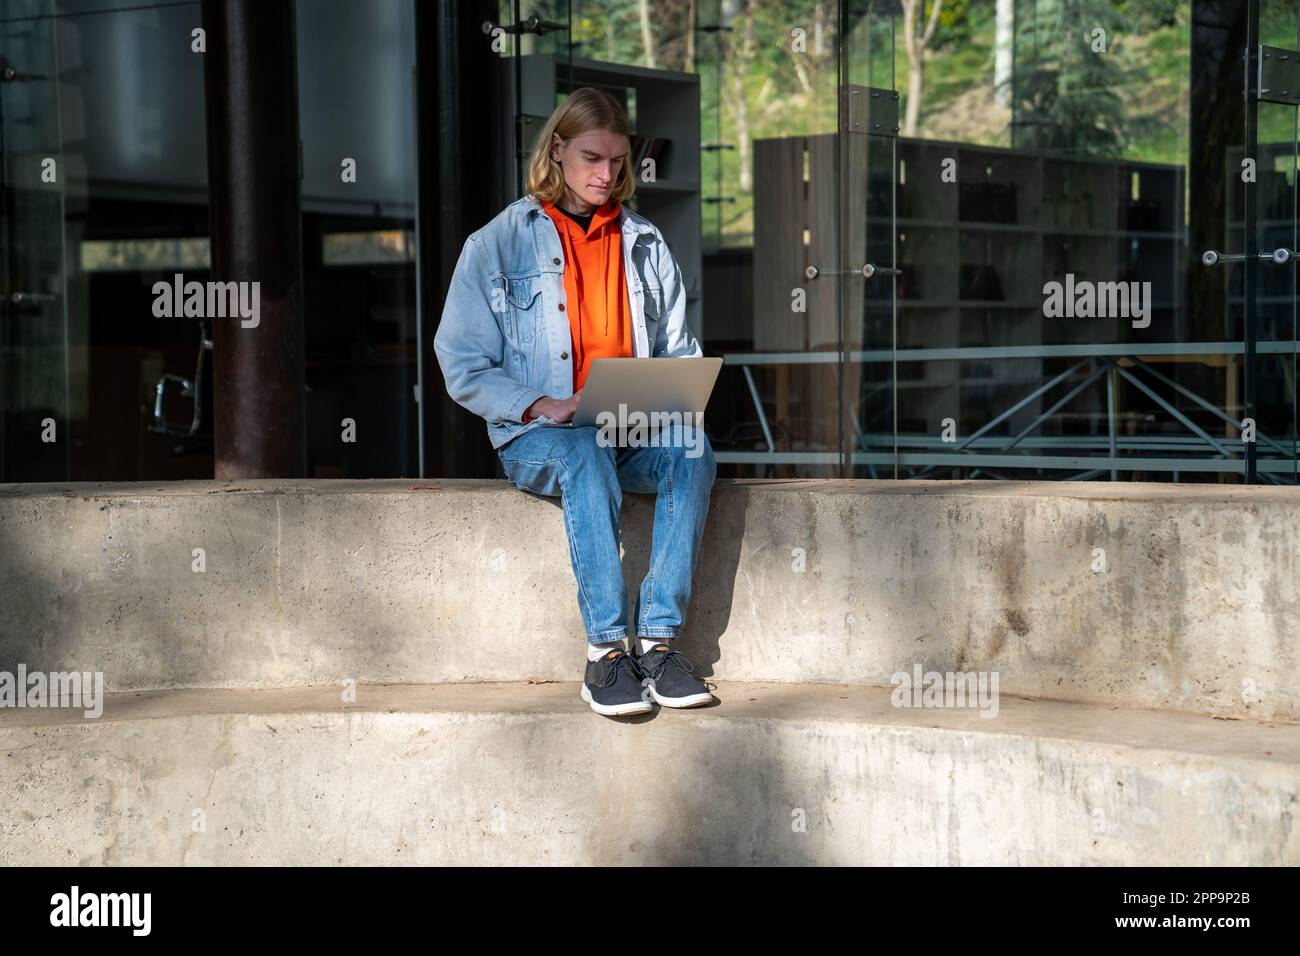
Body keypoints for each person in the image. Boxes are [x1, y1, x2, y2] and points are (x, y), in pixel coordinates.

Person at [434, 88, 717, 718]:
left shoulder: (644, 242)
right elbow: (460, 362)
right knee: (583, 448)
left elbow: (678, 350)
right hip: (536, 435)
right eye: (592, 157)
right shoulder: (496, 245)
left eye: (618, 162)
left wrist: (672, 394)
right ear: (556, 148)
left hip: (628, 428)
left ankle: (659, 644)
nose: (606, 175)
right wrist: (541, 402)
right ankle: (606, 654)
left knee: (691, 449)